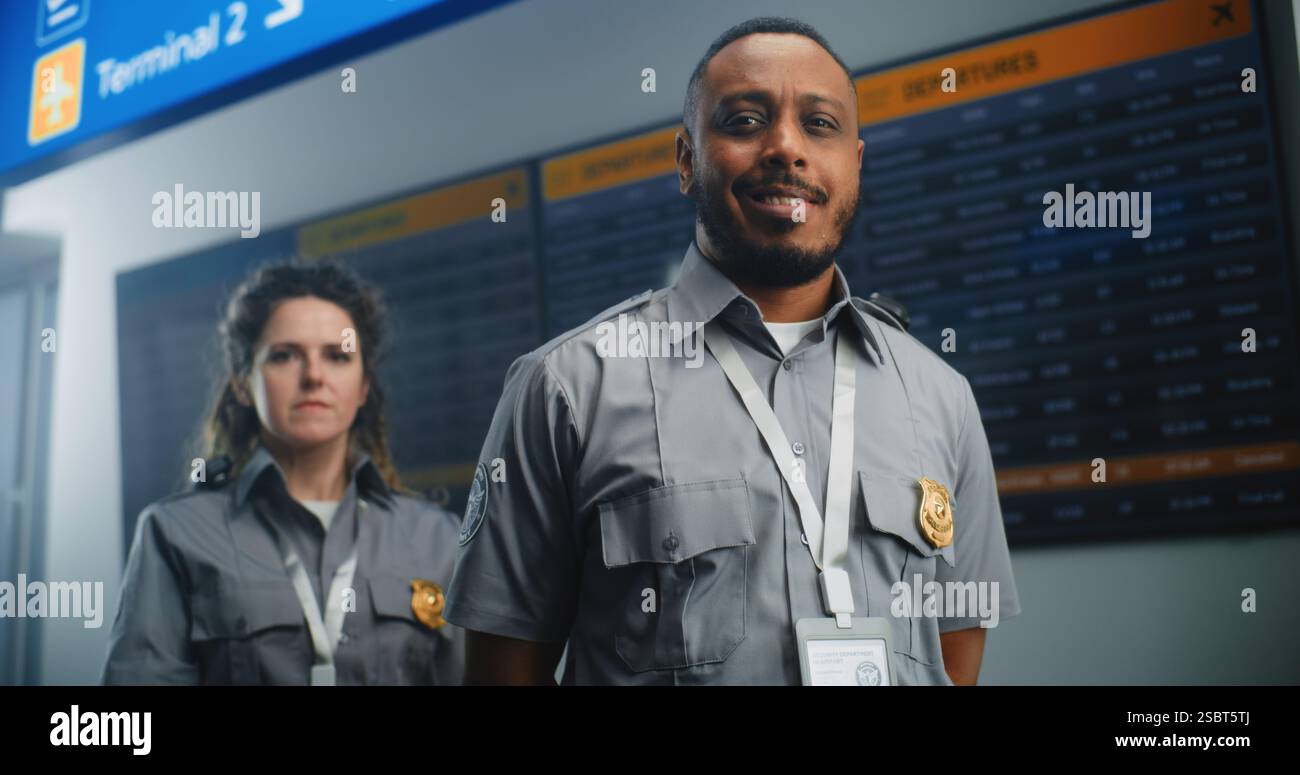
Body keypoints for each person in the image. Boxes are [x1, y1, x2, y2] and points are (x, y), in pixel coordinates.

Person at [445, 17, 1020, 685]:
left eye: (820, 125)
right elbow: (502, 671)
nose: (785, 147)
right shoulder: (565, 387)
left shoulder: (941, 395)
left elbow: (954, 658)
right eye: (745, 121)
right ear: (687, 160)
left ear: (854, 164)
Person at [102, 261, 464, 685]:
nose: (313, 376)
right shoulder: (175, 534)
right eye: (284, 355)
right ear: (242, 383)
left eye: (337, 356)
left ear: (364, 386)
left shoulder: (438, 540)